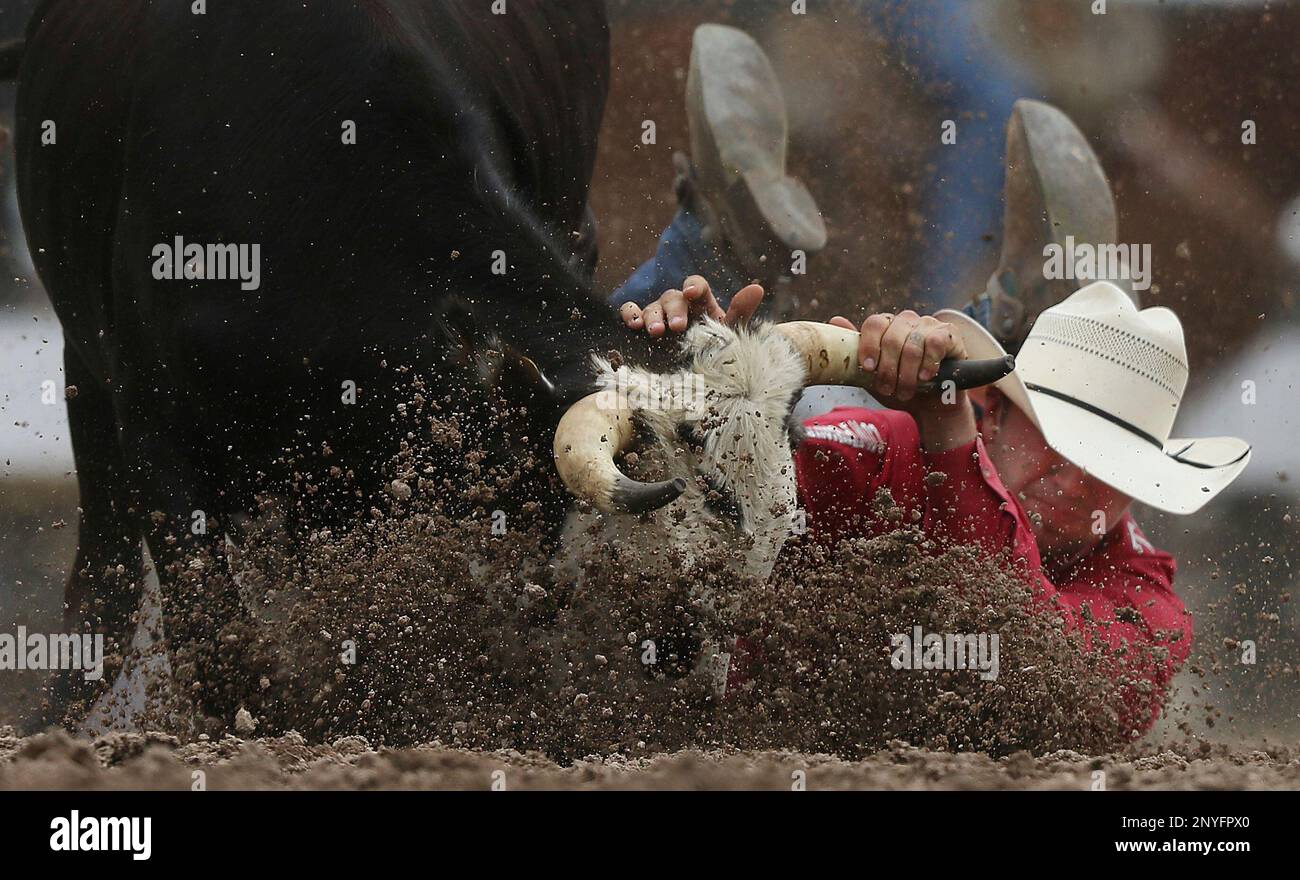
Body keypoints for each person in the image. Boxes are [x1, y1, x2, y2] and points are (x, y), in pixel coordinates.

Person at [625, 278, 1251, 733]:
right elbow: (722, 518)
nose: (1077, 479)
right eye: (1059, 442)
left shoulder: (1151, 608)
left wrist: (952, 441)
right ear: (996, 411)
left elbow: (1033, 674)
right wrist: (710, 400)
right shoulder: (882, 452)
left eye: (1110, 465)